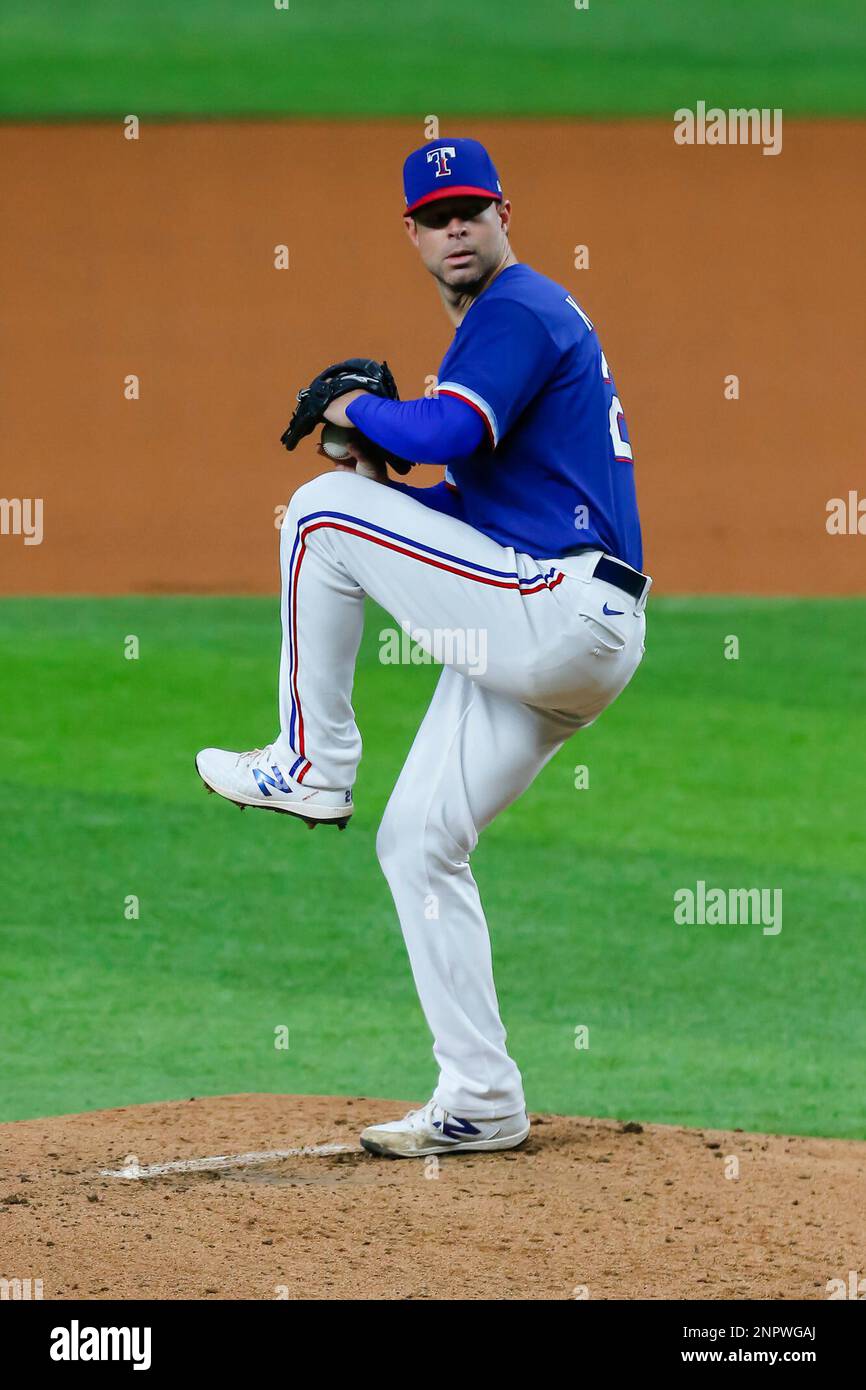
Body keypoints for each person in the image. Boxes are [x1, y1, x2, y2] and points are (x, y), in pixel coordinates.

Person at [196, 137, 650, 1159]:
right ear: (411, 232)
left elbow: (443, 433)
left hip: (559, 611)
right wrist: (381, 476)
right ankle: (480, 1097)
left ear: (502, 217)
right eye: (436, 216)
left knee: (316, 512)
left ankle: (311, 762)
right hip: (558, 633)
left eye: (471, 211)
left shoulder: (518, 310)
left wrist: (350, 416)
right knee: (417, 842)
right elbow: (458, 493)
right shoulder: (500, 331)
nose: (456, 228)